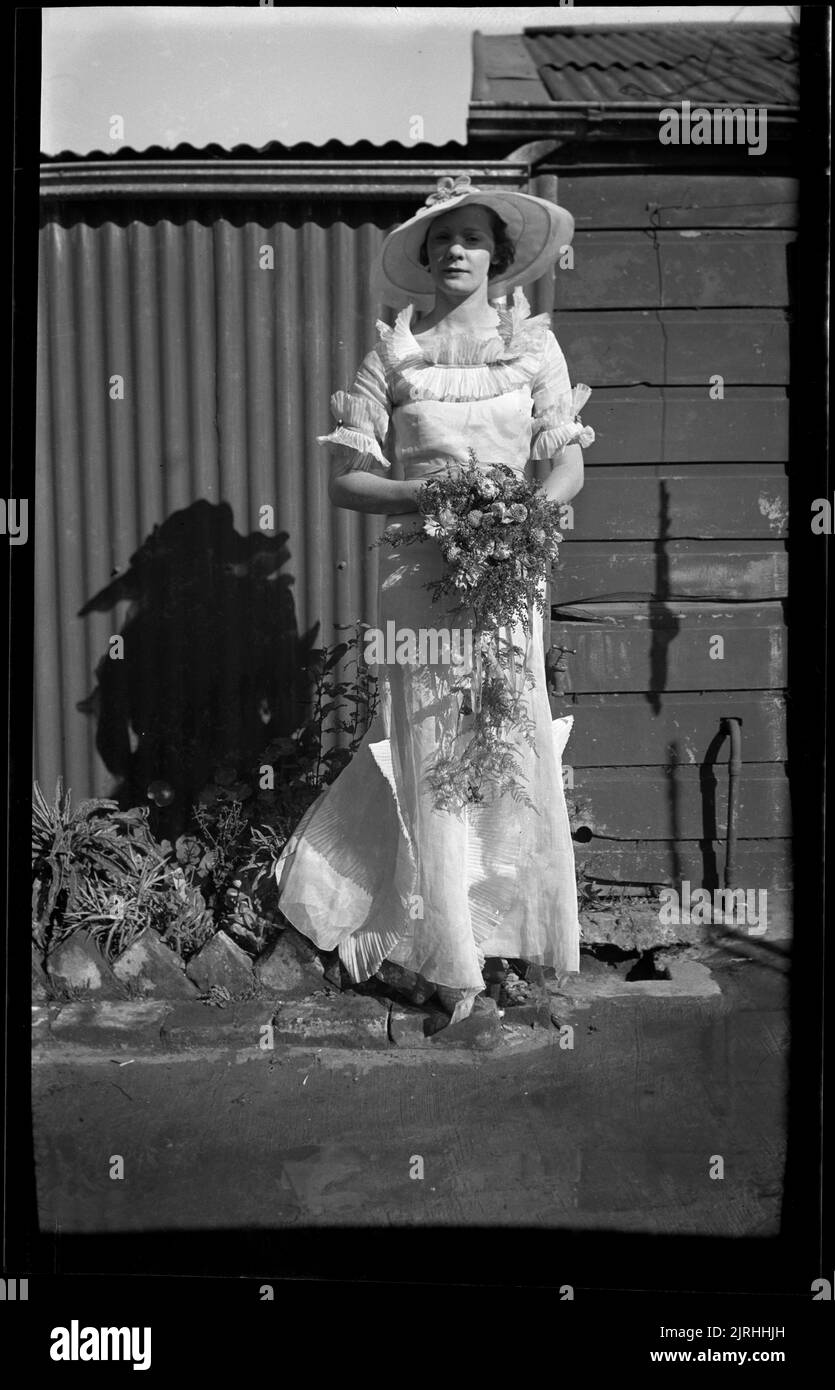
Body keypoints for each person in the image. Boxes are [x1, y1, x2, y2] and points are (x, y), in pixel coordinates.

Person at [274, 173, 594, 1026]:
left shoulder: (535, 349)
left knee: (508, 737)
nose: (456, 251)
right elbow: (346, 479)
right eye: (442, 240)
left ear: (498, 256)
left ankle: (516, 943)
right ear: (424, 257)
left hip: (507, 576)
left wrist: (526, 506)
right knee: (434, 750)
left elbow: (567, 462)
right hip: (419, 583)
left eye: (473, 238)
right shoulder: (395, 354)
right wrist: (437, 499)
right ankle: (455, 969)